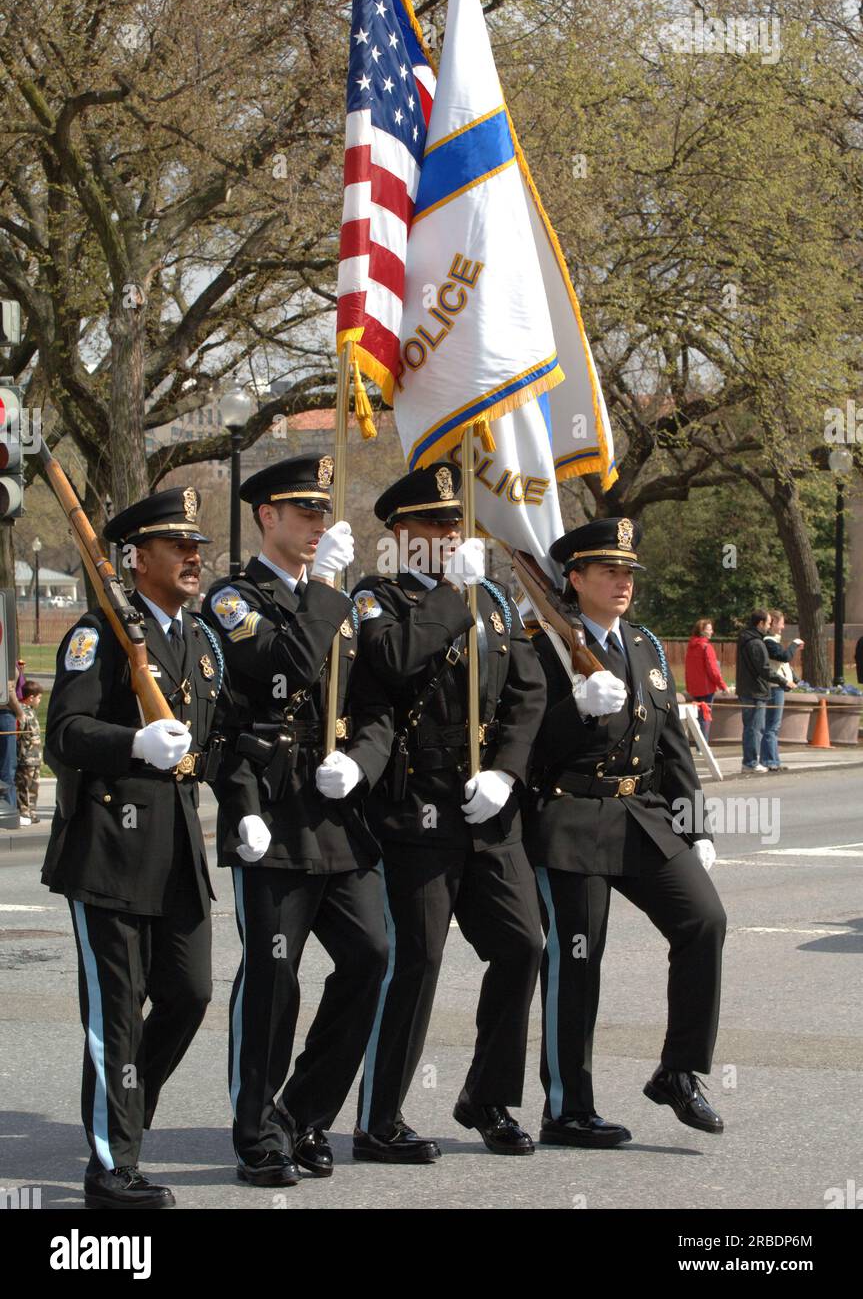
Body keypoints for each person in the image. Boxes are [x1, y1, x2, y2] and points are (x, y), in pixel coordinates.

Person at [41, 487, 235, 1210]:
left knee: (189, 993)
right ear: (136, 557)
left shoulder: (196, 641)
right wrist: (133, 744)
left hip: (177, 850)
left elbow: (216, 741)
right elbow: (63, 732)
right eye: (177, 546)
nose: (193, 557)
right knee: (116, 1015)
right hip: (107, 856)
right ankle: (110, 1168)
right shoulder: (98, 633)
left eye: (196, 547)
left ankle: (125, 1107)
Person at [203, 454, 392, 1188]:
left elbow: (375, 707)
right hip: (271, 813)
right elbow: (281, 664)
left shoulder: (333, 599)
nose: (317, 524)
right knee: (274, 977)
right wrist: (321, 593)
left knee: (372, 956)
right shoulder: (233, 599)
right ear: (266, 517)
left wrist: (363, 762)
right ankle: (255, 1131)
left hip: (338, 816)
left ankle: (304, 1111)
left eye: (322, 513)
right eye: (303, 512)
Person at [350, 462, 546, 1164]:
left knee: (523, 943)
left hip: (487, 808)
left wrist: (506, 773)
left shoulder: (491, 599)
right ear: (401, 533)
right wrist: (452, 594)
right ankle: (379, 1117)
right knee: (418, 958)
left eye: (452, 522)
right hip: (418, 809)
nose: (448, 532)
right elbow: (396, 662)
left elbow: (527, 694)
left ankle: (486, 1095)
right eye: (433, 523)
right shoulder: (378, 597)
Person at [525, 517, 727, 1147]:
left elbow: (672, 752)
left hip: (641, 817)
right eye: (608, 571)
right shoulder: (543, 648)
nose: (622, 582)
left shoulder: (642, 645)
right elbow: (522, 748)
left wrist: (695, 826)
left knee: (704, 921)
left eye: (628, 572)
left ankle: (678, 1069)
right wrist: (574, 712)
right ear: (574, 578)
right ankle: (567, 1108)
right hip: (570, 817)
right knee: (578, 961)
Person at [736, 609, 788, 775]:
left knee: (753, 727)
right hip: (755, 691)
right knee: (754, 728)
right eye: (767, 623)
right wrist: (783, 680)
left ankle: (751, 761)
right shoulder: (756, 643)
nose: (769, 626)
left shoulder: (748, 639)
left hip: (749, 689)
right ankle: (750, 763)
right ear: (760, 623)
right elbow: (764, 669)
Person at [760, 611, 803, 772]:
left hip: (777, 686)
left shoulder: (773, 641)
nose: (783, 627)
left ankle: (773, 759)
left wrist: (794, 678)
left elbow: (782, 665)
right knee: (772, 726)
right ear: (774, 623)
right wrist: (794, 644)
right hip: (774, 687)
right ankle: (769, 760)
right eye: (781, 623)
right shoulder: (769, 641)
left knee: (772, 726)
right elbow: (784, 657)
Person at [684, 618, 727, 740]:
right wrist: (723, 685)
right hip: (706, 689)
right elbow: (713, 670)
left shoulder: (691, 646)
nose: (712, 631)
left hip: (694, 688)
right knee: (705, 718)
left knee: (697, 718)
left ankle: (698, 746)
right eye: (709, 629)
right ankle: (703, 747)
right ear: (702, 631)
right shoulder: (706, 647)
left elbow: (688, 668)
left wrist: (689, 686)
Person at [14, 679, 43, 823]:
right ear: (31, 697)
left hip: (36, 758)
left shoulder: (31, 712)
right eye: (39, 698)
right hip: (26, 757)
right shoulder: (22, 712)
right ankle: (24, 812)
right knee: (24, 787)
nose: (39, 701)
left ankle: (32, 811)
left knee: (34, 787)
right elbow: (19, 734)